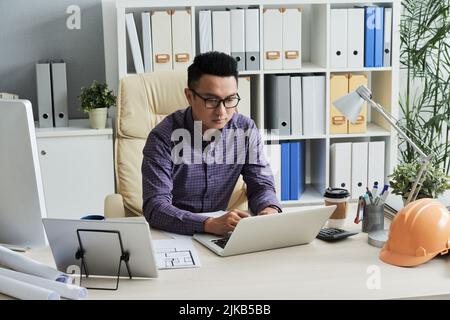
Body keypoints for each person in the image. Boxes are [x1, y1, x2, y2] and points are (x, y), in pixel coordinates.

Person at [142, 51, 281, 235]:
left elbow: (261, 185)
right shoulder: (163, 137)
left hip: (223, 233)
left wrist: (269, 209)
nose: (222, 112)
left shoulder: (245, 129)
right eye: (212, 100)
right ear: (189, 96)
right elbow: (155, 206)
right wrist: (207, 224)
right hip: (173, 233)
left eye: (230, 99)